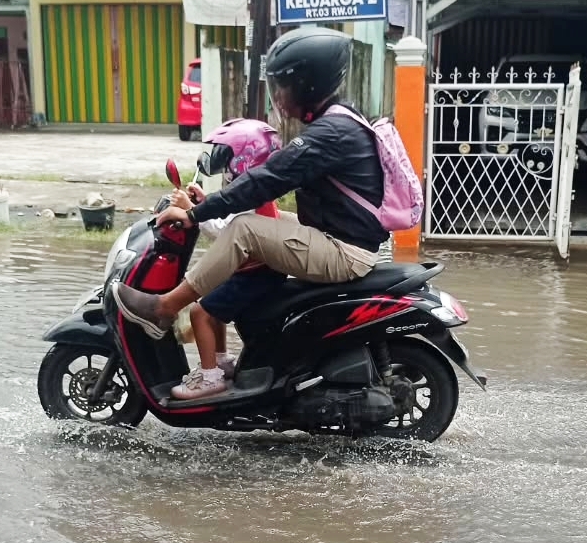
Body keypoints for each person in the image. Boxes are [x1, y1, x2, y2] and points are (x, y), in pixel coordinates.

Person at [112, 26, 387, 345]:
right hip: (340, 237)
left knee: (245, 228)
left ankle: (164, 308)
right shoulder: (340, 120)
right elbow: (267, 182)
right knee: (263, 222)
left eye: (283, 85)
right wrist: (210, 203)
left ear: (305, 84)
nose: (280, 95)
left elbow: (266, 180)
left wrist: (196, 213)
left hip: (343, 251)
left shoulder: (330, 133)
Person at [167, 118, 286, 400]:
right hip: (260, 270)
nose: (225, 164)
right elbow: (229, 214)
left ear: (244, 159)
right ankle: (220, 361)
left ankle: (210, 380)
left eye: (229, 156)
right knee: (210, 306)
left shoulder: (251, 195)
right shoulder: (257, 189)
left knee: (199, 313)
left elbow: (225, 232)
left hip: (253, 275)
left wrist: (190, 213)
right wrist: (205, 201)